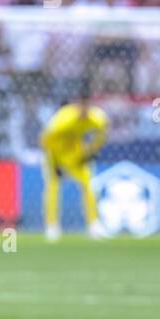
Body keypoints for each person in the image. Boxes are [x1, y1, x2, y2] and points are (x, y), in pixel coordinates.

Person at [41, 98, 109, 241]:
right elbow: (45, 140)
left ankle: (94, 225)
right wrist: (54, 164)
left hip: (76, 155)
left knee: (89, 185)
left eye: (87, 107)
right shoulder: (63, 119)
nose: (84, 111)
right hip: (56, 154)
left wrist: (90, 151)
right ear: (77, 106)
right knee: (53, 187)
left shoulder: (96, 118)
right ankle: (52, 226)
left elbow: (103, 133)